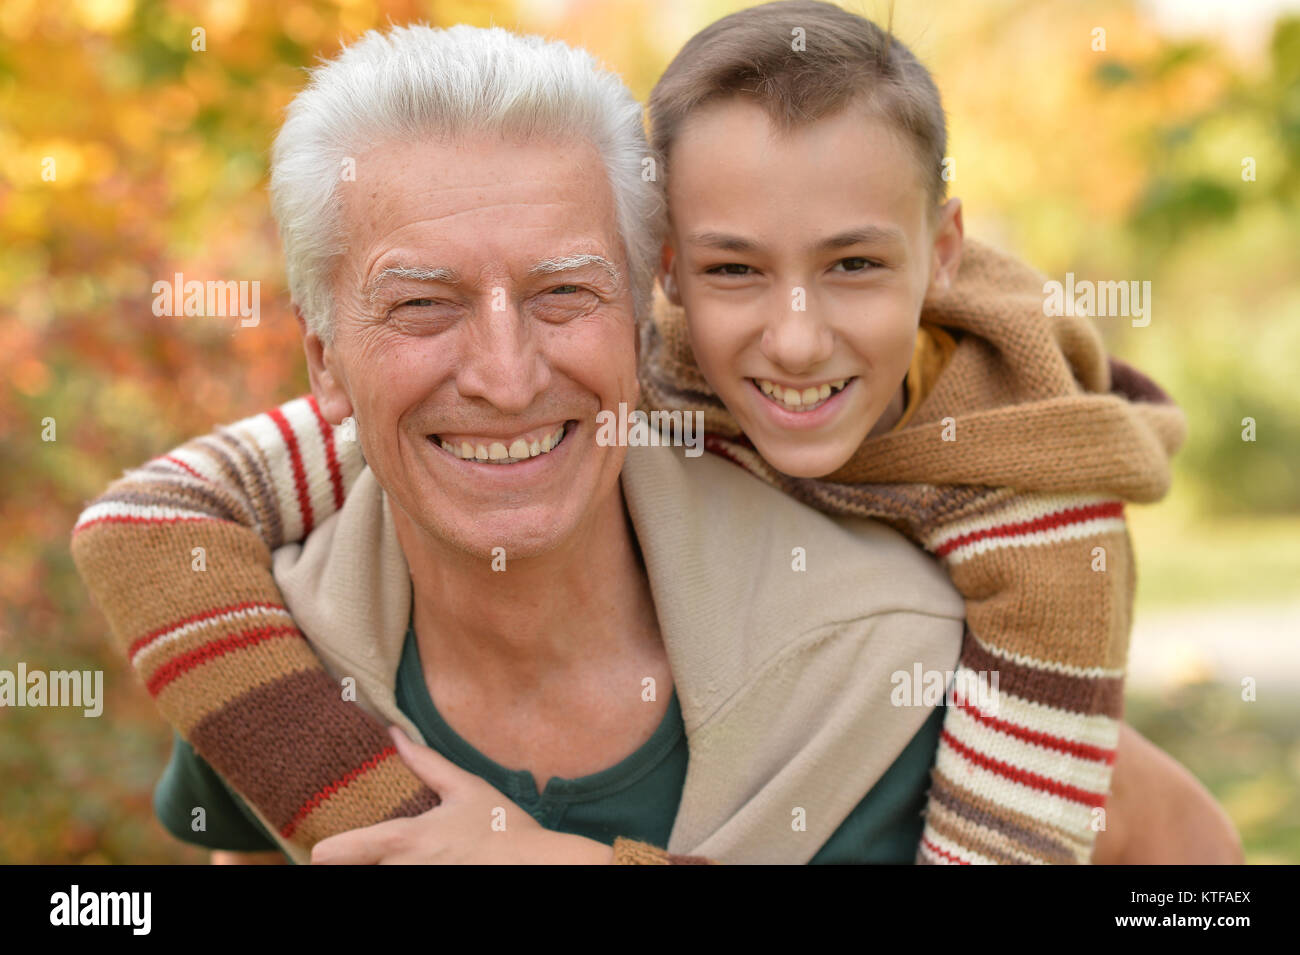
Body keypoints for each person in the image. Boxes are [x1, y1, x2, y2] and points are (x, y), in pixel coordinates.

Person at [72, 12, 1239, 865]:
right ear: (324, 358)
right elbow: (149, 521)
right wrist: (384, 819)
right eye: (420, 303)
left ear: (636, 320)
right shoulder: (283, 637)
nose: (504, 373)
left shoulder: (920, 659)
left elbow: (1185, 858)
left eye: (564, 294)